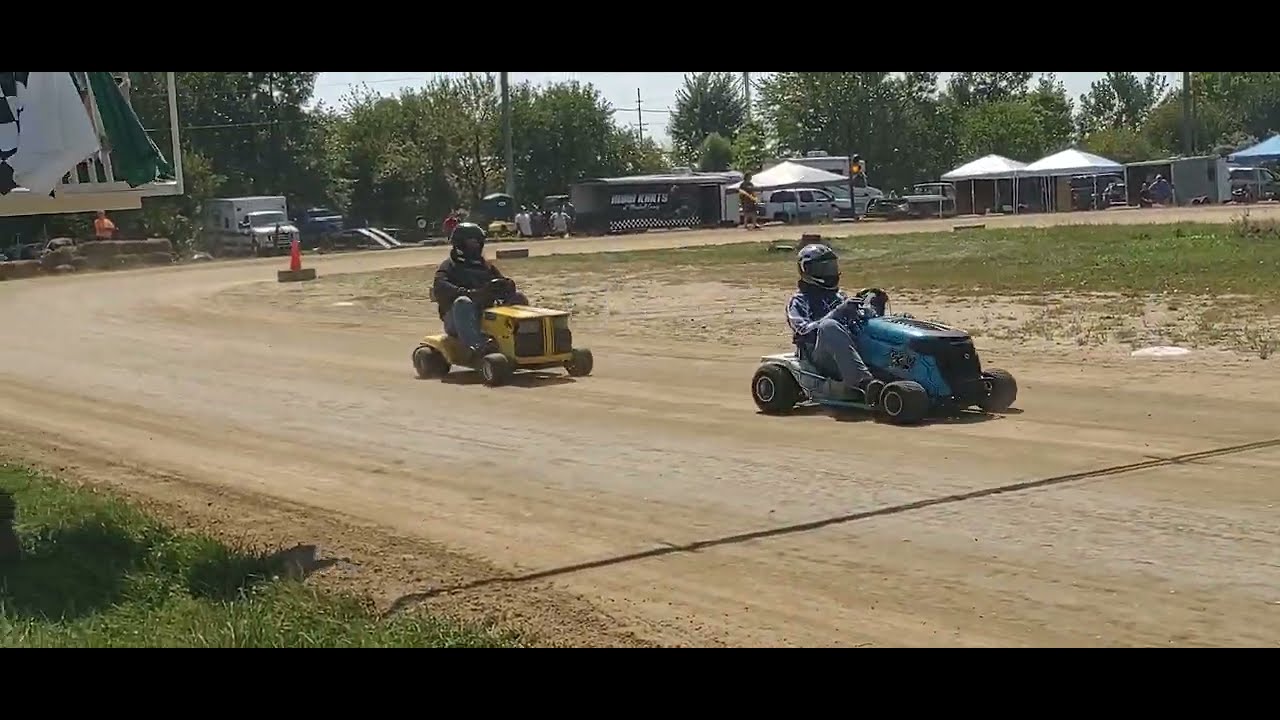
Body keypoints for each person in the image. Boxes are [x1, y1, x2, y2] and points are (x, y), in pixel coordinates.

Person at [785, 243, 883, 405]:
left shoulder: (839, 296)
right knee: (828, 326)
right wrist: (837, 313)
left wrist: (874, 309)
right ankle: (865, 384)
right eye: (823, 269)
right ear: (806, 270)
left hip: (848, 350)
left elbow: (858, 321)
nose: (829, 273)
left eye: (831, 268)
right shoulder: (799, 301)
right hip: (819, 357)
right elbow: (804, 331)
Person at [433, 222, 529, 361]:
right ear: (460, 244)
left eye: (478, 242)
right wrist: (469, 293)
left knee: (518, 298)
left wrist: (507, 285)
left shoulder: (486, 266)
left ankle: (525, 339)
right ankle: (476, 347)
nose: (476, 246)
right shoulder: (450, 266)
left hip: (486, 314)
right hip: (457, 318)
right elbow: (441, 287)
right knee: (463, 302)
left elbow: (501, 283)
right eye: (472, 242)